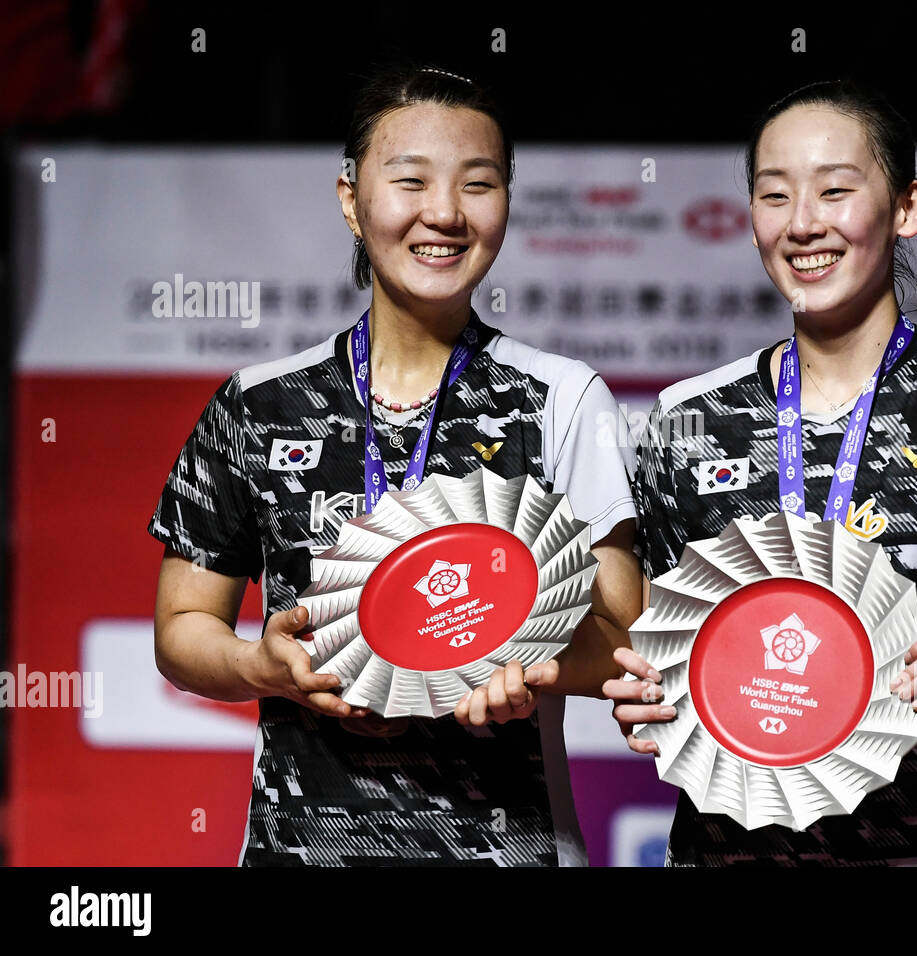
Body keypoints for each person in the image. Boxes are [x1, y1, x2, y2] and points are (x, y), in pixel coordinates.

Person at [604, 79, 917, 866]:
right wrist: (646, 699)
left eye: (836, 191)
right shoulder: (682, 418)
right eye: (775, 197)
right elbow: (659, 647)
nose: (804, 223)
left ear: (907, 207)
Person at [149, 62, 640, 867]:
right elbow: (181, 627)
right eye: (410, 180)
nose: (444, 213)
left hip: (511, 848)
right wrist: (258, 665)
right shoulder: (257, 405)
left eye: (478, 183)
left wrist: (533, 662)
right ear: (351, 198)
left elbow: (624, 635)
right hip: (299, 849)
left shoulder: (563, 400)